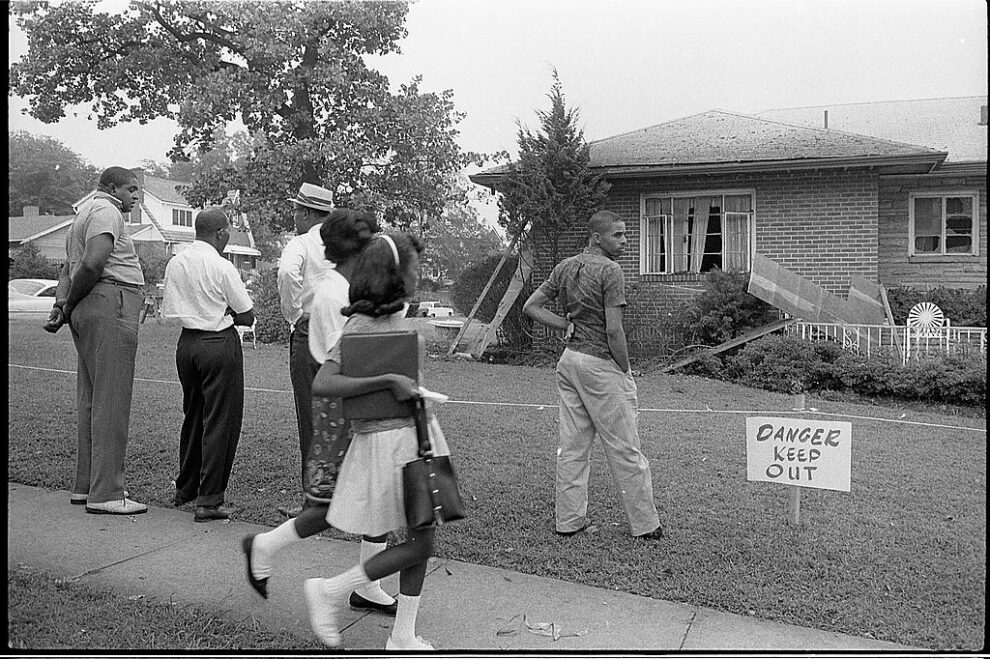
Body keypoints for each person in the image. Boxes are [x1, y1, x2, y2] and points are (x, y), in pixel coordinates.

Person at [241, 209, 400, 616]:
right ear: (354, 247)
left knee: (377, 496)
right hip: (344, 409)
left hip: (358, 404)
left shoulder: (349, 286)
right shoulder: (334, 295)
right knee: (333, 505)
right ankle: (265, 546)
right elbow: (344, 362)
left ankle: (369, 584)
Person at [303, 232, 448, 650]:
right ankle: (331, 590)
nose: (419, 274)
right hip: (388, 443)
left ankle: (403, 635)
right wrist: (387, 380)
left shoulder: (395, 314)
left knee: (422, 537)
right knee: (421, 540)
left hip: (414, 433)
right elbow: (324, 382)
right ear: (393, 271)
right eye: (414, 267)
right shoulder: (361, 322)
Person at [523, 210, 663, 540]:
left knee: (572, 447)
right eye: (618, 235)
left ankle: (568, 521)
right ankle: (646, 526)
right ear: (596, 237)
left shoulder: (566, 267)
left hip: (570, 361)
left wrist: (565, 325)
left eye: (626, 234)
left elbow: (531, 306)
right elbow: (614, 331)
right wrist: (625, 370)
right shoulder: (611, 270)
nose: (625, 241)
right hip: (600, 364)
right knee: (625, 447)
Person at [46, 166, 148, 515]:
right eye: (130, 189)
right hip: (110, 302)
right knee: (112, 400)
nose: (135, 195)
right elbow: (91, 264)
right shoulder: (106, 211)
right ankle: (106, 493)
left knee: (92, 397)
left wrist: (63, 306)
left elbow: (66, 271)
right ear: (111, 188)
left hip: (89, 306)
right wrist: (71, 303)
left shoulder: (81, 216)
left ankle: (85, 486)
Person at [161, 208, 255, 523]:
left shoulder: (176, 262)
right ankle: (210, 500)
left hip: (187, 345)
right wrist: (225, 308)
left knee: (194, 416)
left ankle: (185, 488)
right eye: (228, 232)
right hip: (218, 344)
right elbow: (246, 314)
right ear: (219, 233)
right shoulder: (221, 266)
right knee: (221, 421)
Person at [277, 182, 337, 516]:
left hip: (310, 327)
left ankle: (315, 500)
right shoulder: (343, 245)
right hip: (340, 331)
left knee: (310, 415)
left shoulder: (300, 243)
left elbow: (287, 273)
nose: (294, 216)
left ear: (305, 212)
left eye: (297, 210)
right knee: (339, 413)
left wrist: (294, 315)